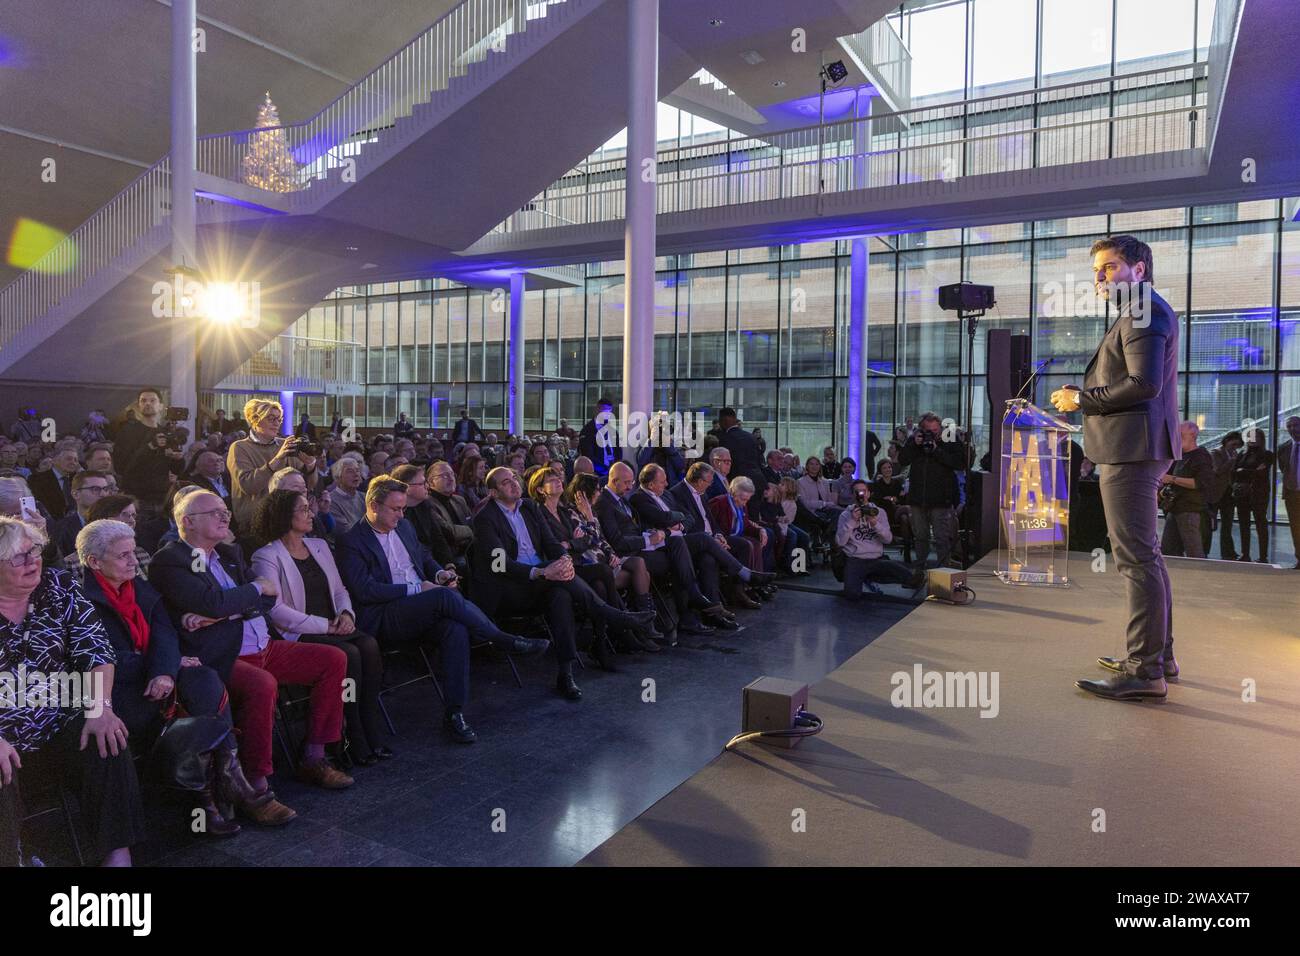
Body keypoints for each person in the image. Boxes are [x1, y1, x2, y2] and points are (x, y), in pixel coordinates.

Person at [77, 518, 289, 833]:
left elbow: (164, 632)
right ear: (94, 562)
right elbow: (99, 657)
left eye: (134, 553)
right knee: (196, 695)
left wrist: (165, 669)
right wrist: (164, 668)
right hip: (119, 690)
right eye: (124, 556)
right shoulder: (81, 600)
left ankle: (229, 783)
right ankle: (207, 800)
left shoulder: (140, 587)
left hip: (157, 675)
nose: (134, 561)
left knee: (205, 679)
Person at [149, 490, 353, 791]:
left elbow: (267, 601)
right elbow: (218, 601)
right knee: (263, 684)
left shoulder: (230, 554)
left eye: (225, 510)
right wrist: (248, 593)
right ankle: (256, 783)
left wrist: (224, 611)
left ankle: (314, 756)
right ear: (187, 522)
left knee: (333, 659)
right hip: (224, 656)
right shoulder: (170, 560)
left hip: (263, 646)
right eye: (214, 512)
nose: (225, 516)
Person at [1051, 234, 1181, 701]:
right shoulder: (1144, 310)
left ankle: (1144, 671)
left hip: (1131, 449)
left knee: (1136, 560)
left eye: (1108, 268)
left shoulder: (1144, 310)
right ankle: (1158, 656)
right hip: (1137, 446)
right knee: (1146, 556)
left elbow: (1143, 384)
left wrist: (1080, 400)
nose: (1099, 278)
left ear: (1139, 270)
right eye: (1097, 271)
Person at [336, 476, 547, 743]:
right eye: (396, 509)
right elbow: (364, 590)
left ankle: (454, 714)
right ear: (374, 506)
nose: (402, 515)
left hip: (422, 605)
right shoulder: (351, 541)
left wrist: (439, 575)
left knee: (454, 628)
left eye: (403, 508)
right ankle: (503, 640)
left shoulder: (404, 526)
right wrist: (419, 589)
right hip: (384, 613)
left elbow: (423, 557)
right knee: (442, 599)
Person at [0, 517, 145, 866]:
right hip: (4, 737)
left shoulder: (57, 586)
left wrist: (100, 708)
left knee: (107, 735)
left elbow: (94, 648)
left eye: (34, 551)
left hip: (57, 719)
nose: (33, 561)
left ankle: (117, 856)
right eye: (18, 558)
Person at [472, 467, 658, 696]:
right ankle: (614, 617)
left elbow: (551, 544)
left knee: (563, 594)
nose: (513, 484)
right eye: (505, 483)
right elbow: (500, 564)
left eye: (514, 479)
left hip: (545, 578)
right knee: (565, 581)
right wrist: (541, 572)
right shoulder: (485, 518)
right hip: (513, 586)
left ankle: (565, 673)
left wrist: (563, 561)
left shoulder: (529, 507)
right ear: (492, 493)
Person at [251, 491, 390, 767]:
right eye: (303, 510)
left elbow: (339, 589)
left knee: (368, 645)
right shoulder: (266, 556)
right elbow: (277, 611)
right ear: (284, 517)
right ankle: (350, 737)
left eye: (309, 508)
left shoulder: (319, 545)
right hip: (302, 630)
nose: (311, 514)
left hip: (335, 624)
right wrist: (326, 625)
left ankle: (369, 726)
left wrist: (346, 613)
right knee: (349, 653)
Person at [529, 469, 649, 666]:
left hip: (578, 565)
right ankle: (620, 627)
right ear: (541, 490)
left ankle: (601, 644)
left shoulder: (564, 511)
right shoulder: (539, 513)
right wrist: (572, 542)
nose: (559, 481)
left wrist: (571, 543)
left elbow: (588, 539)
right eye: (551, 480)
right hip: (560, 569)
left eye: (558, 477)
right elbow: (552, 547)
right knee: (602, 571)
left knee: (601, 586)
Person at [595, 462, 725, 637]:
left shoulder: (622, 497)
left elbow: (685, 517)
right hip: (630, 555)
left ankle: (691, 608)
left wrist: (653, 534)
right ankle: (689, 610)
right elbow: (617, 542)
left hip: (646, 546)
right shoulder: (605, 502)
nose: (630, 486)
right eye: (626, 483)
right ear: (613, 480)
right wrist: (648, 538)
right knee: (682, 561)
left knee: (683, 549)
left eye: (631, 482)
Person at [631, 463, 774, 617]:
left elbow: (692, 518)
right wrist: (677, 522)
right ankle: (739, 580)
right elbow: (666, 517)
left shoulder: (667, 494)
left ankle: (728, 598)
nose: (666, 484)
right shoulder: (643, 497)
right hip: (670, 544)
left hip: (689, 538)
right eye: (662, 481)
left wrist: (716, 535)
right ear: (651, 484)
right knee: (706, 548)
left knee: (730, 549)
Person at [227, 398, 321, 531]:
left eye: (279, 419)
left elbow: (309, 486)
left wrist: (310, 464)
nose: (277, 423)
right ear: (255, 419)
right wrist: (278, 458)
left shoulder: (285, 444)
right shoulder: (239, 447)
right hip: (256, 523)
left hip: (289, 519)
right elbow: (249, 486)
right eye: (271, 418)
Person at [836, 481, 924, 600]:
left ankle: (868, 577)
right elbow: (840, 542)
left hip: (876, 559)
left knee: (907, 576)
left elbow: (888, 539)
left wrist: (874, 523)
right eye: (857, 492)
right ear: (852, 495)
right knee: (852, 595)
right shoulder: (845, 515)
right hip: (855, 559)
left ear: (868, 493)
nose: (861, 495)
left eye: (863, 491)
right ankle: (861, 577)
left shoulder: (879, 512)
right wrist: (852, 521)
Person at [897, 413, 964, 570]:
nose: (932, 433)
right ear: (921, 429)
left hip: (941, 499)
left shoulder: (949, 440)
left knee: (942, 538)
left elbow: (960, 463)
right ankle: (920, 569)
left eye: (935, 430)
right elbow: (902, 460)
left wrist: (936, 450)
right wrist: (913, 443)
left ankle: (943, 572)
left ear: (940, 427)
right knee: (920, 537)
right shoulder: (916, 441)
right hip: (918, 498)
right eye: (928, 430)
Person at [1159, 422, 1212, 559]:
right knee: (1168, 550)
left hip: (1190, 510)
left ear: (1193, 435)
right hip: (1176, 508)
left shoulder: (1201, 456)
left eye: (1181, 435)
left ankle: (1198, 577)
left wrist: (1172, 479)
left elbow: (1200, 483)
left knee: (1194, 552)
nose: (1177, 438)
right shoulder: (1179, 457)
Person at [1231, 428, 1275, 563]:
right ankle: (1245, 554)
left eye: (1254, 437)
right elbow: (1234, 472)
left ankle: (1263, 557)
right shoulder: (1242, 454)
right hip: (1242, 493)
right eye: (1249, 436)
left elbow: (1261, 473)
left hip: (1259, 493)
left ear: (1261, 439)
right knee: (1244, 524)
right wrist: (1251, 471)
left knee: (1260, 523)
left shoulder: (1267, 454)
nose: (1251, 439)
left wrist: (1243, 470)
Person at [718, 408, 766, 519]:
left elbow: (727, 465)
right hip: (758, 481)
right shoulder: (750, 437)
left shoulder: (725, 439)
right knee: (754, 518)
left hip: (740, 483)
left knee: (742, 518)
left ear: (724, 420)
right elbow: (759, 461)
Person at [1206, 431, 1244, 559]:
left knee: (1227, 525)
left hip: (1228, 493)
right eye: (1233, 444)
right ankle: (1204, 550)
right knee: (1210, 524)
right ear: (1227, 440)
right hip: (1215, 493)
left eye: (1237, 446)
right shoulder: (1215, 452)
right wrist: (1232, 461)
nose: (1235, 447)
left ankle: (1228, 552)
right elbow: (1217, 470)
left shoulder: (1234, 454)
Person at [29, 443, 82, 520]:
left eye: (75, 460)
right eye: (69, 459)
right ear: (54, 461)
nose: (73, 462)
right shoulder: (36, 480)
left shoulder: (79, 480)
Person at [578, 398, 623, 479]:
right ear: (597, 410)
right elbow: (588, 455)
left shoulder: (612, 430)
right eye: (604, 411)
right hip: (597, 474)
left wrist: (616, 468)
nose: (607, 415)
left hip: (613, 472)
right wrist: (605, 471)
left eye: (609, 412)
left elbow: (618, 451)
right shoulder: (587, 431)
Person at [1279, 416, 1300, 570]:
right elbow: (1283, 469)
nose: (1293, 428)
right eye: (1289, 426)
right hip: (1292, 493)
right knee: (1295, 528)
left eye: (1296, 425)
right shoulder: (1284, 447)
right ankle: (1299, 558)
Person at [328, 457, 366, 533]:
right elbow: (345, 530)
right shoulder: (331, 501)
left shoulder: (364, 497)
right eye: (350, 471)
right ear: (338, 477)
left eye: (357, 470)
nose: (356, 474)